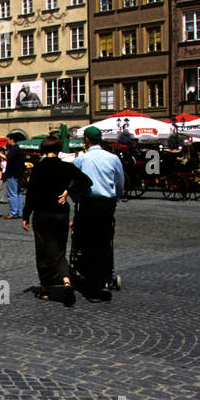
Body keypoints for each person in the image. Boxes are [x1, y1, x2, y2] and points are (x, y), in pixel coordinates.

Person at [23, 137, 93, 305]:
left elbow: (31, 193)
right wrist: (69, 190)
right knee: (59, 250)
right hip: (60, 214)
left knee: (43, 250)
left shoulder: (38, 168)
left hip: (42, 214)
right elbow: (87, 182)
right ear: (59, 148)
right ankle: (67, 282)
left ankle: (45, 290)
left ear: (43, 149)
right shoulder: (66, 166)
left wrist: (26, 215)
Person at [71, 126, 125, 302]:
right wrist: (115, 197)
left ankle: (93, 286)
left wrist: (76, 197)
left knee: (87, 244)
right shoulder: (113, 158)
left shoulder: (82, 159)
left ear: (86, 140)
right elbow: (119, 182)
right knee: (105, 242)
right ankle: (105, 280)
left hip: (88, 204)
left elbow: (74, 181)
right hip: (106, 205)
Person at [3, 140, 26, 219]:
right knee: (18, 193)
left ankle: (13, 212)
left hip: (12, 174)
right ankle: (19, 212)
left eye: (8, 139)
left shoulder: (13, 149)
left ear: (12, 140)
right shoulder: (20, 150)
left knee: (12, 194)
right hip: (19, 174)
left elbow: (8, 158)